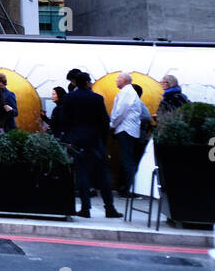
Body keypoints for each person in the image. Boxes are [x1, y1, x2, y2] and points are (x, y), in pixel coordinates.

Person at [60, 70, 122, 218]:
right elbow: (104, 121)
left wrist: (69, 138)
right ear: (88, 82)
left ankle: (85, 208)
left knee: (82, 174)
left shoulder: (69, 98)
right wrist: (103, 139)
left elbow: (64, 120)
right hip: (95, 139)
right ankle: (109, 207)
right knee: (103, 174)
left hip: (76, 140)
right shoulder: (97, 98)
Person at [109, 73, 149, 197]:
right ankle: (127, 188)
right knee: (128, 159)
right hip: (129, 130)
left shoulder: (126, 92)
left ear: (125, 80)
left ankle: (128, 189)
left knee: (127, 160)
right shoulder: (128, 92)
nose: (116, 81)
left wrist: (112, 124)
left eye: (118, 79)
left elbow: (120, 111)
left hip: (125, 130)